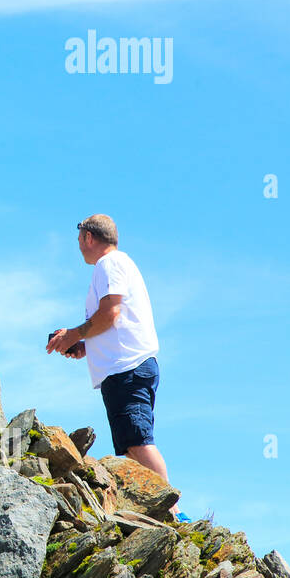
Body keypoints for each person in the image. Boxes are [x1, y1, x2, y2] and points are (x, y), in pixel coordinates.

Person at [46, 214, 185, 521]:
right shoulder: (118, 264)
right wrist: (84, 346)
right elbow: (113, 320)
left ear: (88, 238)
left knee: (138, 442)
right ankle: (162, 510)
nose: (79, 246)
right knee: (132, 447)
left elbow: (111, 313)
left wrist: (73, 334)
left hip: (127, 368)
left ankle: (173, 510)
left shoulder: (108, 265)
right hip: (129, 367)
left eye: (79, 238)